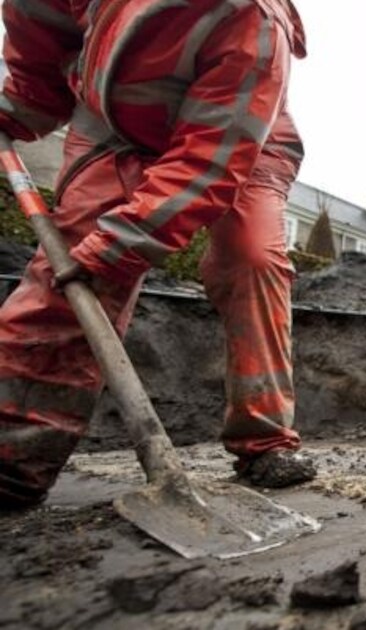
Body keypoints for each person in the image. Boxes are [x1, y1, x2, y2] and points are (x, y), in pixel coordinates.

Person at [0, 0, 316, 510]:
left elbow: (208, 161)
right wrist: (18, 107)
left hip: (244, 141)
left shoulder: (250, 17)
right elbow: (42, 55)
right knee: (65, 273)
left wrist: (118, 245)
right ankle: (14, 455)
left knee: (251, 258)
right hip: (113, 130)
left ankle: (265, 440)